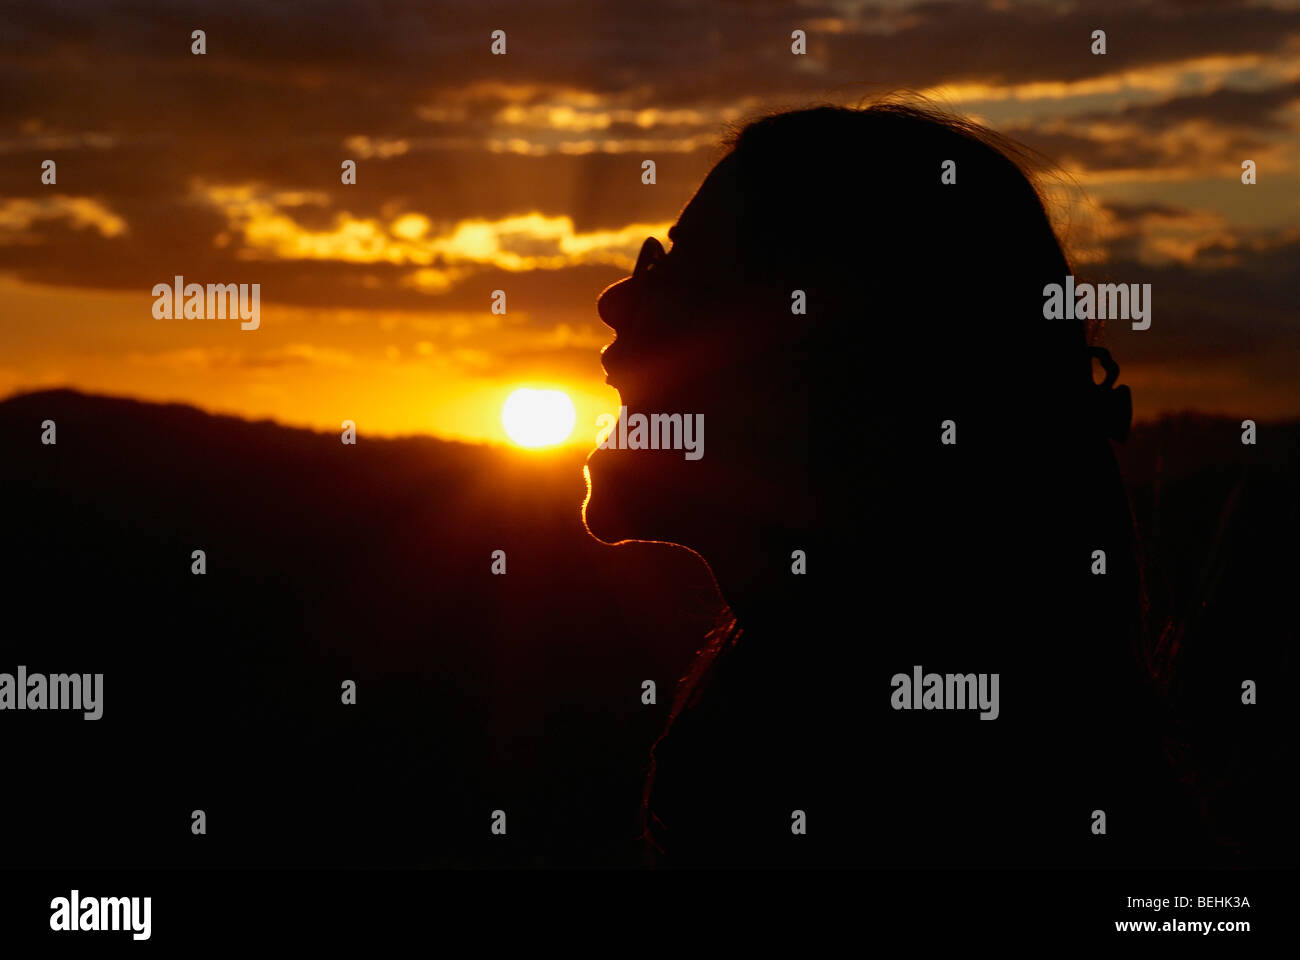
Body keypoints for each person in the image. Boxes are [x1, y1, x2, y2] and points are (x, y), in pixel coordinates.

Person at [583, 101, 1202, 868]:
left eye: (682, 273)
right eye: (654, 260)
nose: (614, 301)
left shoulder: (904, 785)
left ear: (842, 371)